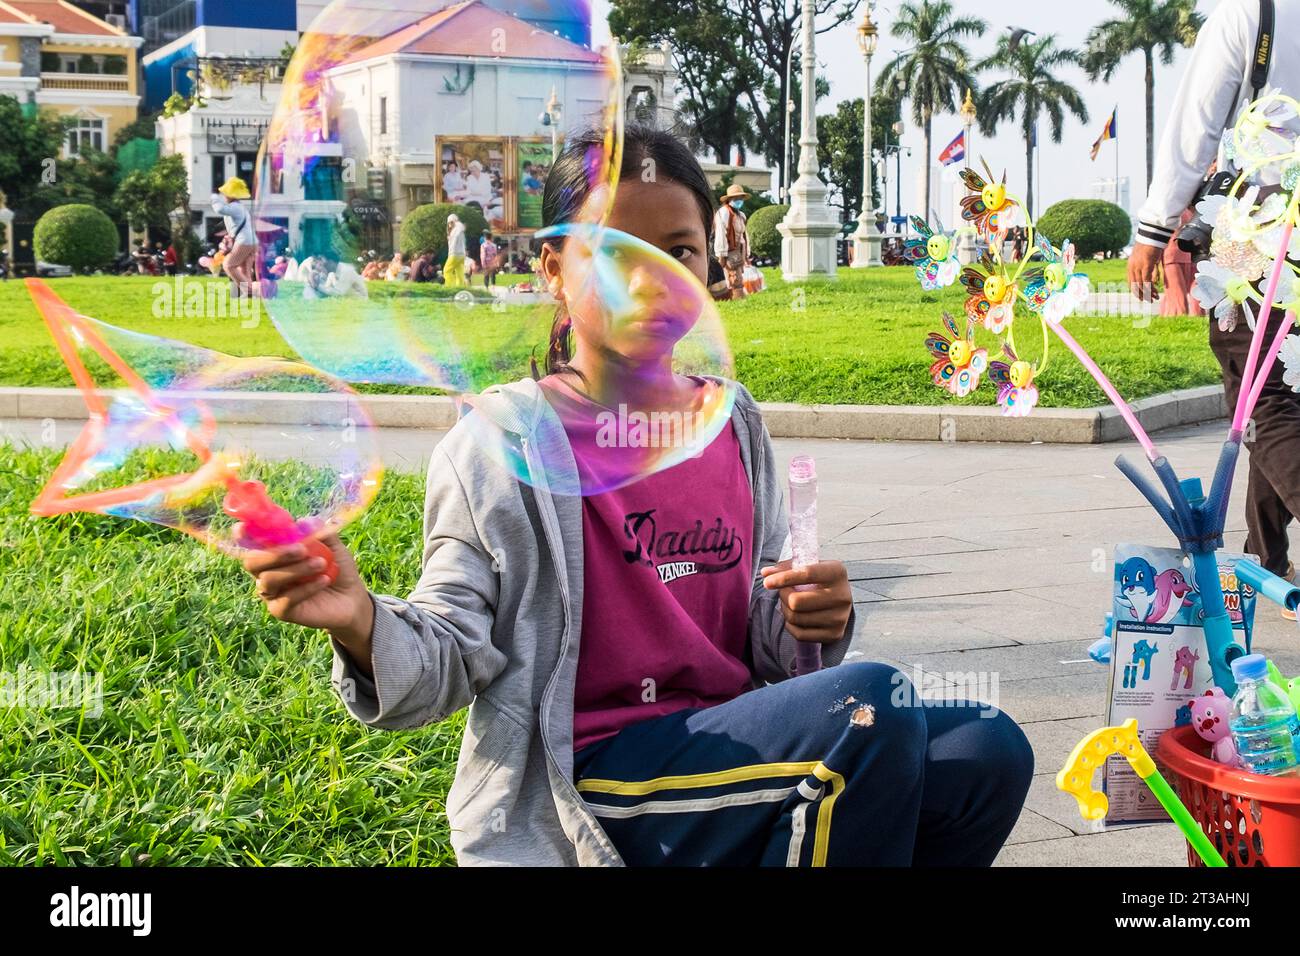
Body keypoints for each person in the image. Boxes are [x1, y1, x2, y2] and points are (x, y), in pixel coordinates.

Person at [240, 124, 1033, 867]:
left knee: (985, 748)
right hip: (593, 773)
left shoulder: (730, 421)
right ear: (552, 268)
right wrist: (360, 622)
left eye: (679, 251)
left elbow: (767, 639)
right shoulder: (502, 440)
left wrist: (808, 618)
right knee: (870, 705)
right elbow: (454, 646)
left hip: (729, 744)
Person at [1127, 0, 1300, 614]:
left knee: (1262, 398)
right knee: (1280, 391)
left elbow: (1194, 124)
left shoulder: (1249, 12)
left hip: (1259, 231)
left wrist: (1152, 231)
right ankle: (1262, 559)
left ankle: (1262, 556)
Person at [211, 177, 259, 298]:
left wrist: (214, 197)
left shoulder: (235, 207)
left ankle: (250, 291)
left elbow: (220, 209)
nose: (224, 195)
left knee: (228, 265)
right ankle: (250, 294)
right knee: (244, 270)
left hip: (245, 241)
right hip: (251, 241)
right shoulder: (239, 207)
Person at [712, 183, 751, 300]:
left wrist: (747, 253)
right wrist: (722, 254)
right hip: (728, 250)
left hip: (739, 250)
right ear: (729, 199)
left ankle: (736, 298)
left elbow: (744, 235)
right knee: (733, 277)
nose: (739, 201)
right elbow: (720, 233)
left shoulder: (741, 215)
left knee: (737, 275)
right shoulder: (724, 212)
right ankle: (735, 299)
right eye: (736, 198)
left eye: (740, 198)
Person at [444, 213, 467, 287]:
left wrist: (456, 221)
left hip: (454, 254)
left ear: (452, 221)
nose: (449, 225)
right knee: (459, 272)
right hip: (462, 255)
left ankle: (451, 286)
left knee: (446, 271)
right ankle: (459, 288)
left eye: (449, 223)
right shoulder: (459, 230)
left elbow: (452, 244)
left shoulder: (456, 229)